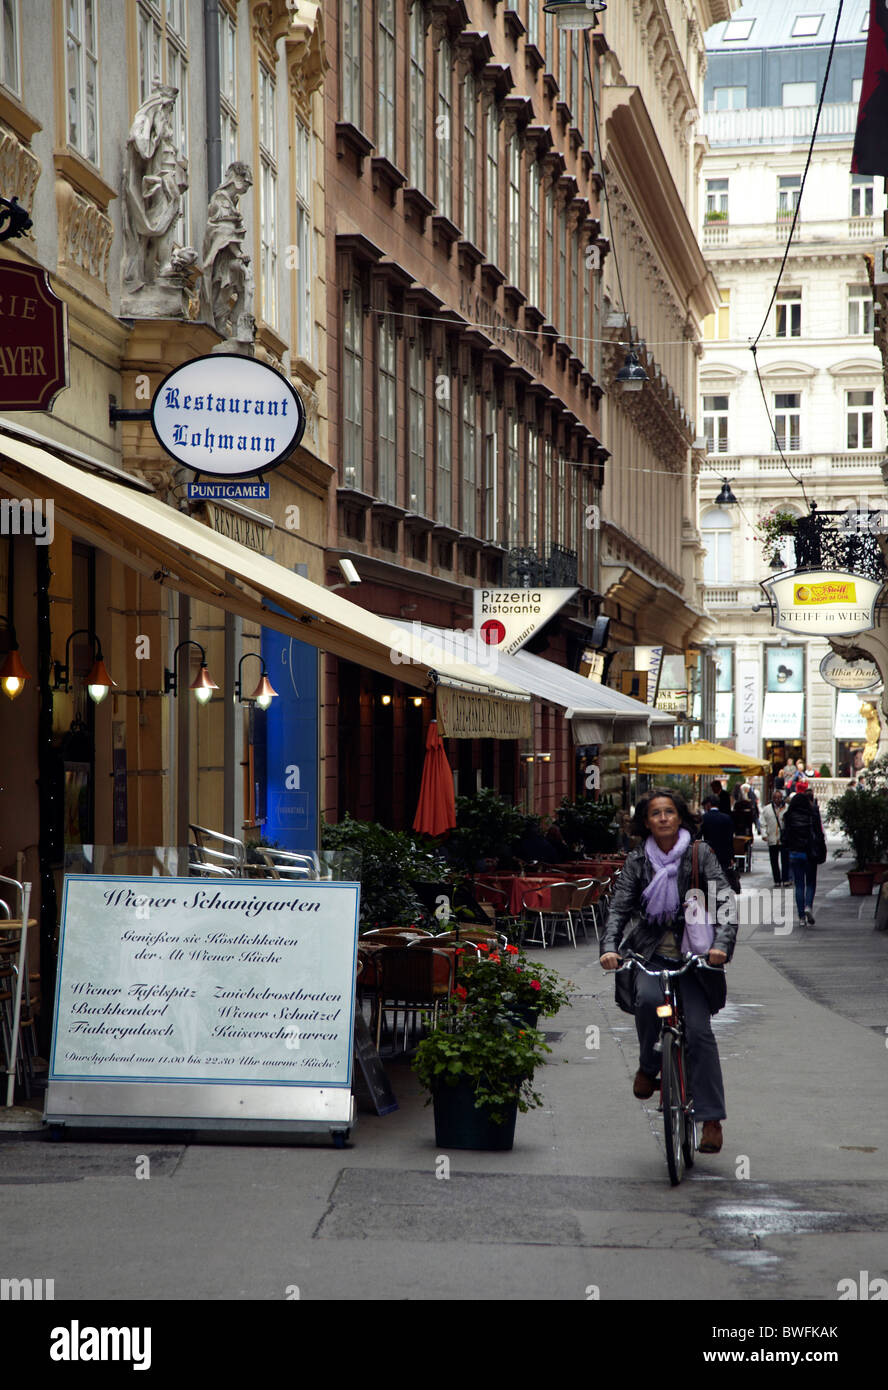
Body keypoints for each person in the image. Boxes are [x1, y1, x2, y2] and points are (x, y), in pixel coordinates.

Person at [600, 787, 737, 1156]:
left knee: (700, 1032)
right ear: (645, 822)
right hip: (650, 953)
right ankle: (648, 1065)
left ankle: (710, 1120)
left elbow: (724, 900)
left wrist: (721, 946)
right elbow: (619, 908)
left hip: (695, 957)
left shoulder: (700, 854)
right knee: (645, 1000)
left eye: (669, 812)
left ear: (680, 817)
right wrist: (610, 947)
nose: (663, 818)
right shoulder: (636, 861)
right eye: (655, 813)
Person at [782, 780, 825, 926]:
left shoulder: (788, 816)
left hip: (794, 853)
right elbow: (819, 833)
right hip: (809, 853)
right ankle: (808, 906)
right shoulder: (812, 813)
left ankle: (801, 917)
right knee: (811, 883)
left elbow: (785, 836)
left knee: (799, 885)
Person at [760, 789, 789, 887]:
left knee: (785, 860)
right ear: (772, 799)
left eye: (779, 797)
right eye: (775, 798)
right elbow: (763, 823)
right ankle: (777, 880)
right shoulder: (767, 809)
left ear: (782, 798)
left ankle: (785, 879)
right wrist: (764, 835)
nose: (777, 799)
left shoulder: (787, 808)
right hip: (772, 838)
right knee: (774, 861)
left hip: (783, 839)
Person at [700, 795, 735, 873]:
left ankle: (712, 886)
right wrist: (731, 857)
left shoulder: (704, 818)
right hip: (724, 855)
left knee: (712, 878)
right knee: (724, 877)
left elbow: (698, 837)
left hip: (709, 854)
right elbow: (730, 839)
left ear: (708, 804)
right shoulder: (727, 818)